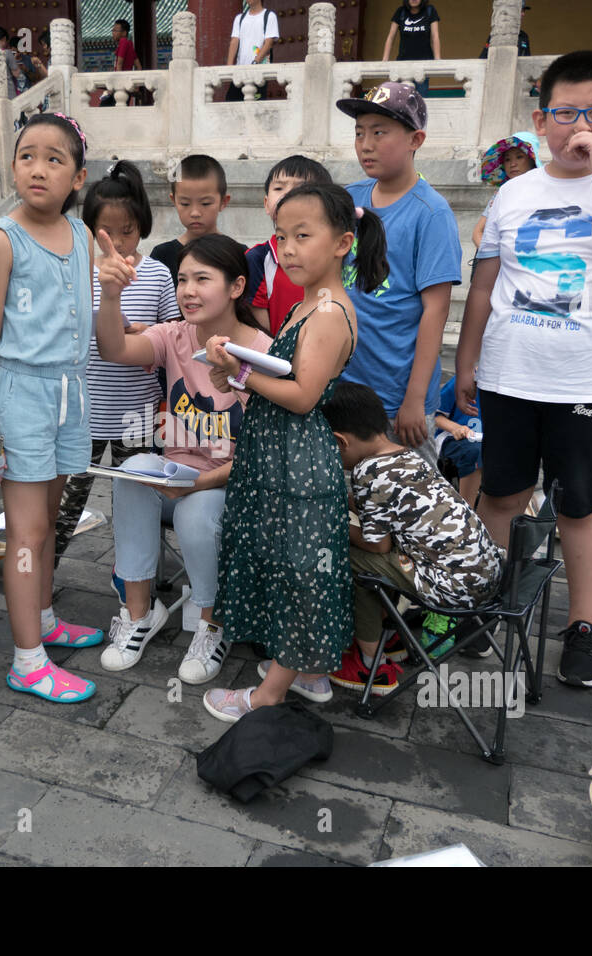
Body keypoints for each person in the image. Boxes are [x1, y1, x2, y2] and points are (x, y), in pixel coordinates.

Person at [455, 51, 592, 689]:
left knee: (579, 502)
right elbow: (483, 285)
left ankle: (584, 625)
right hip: (510, 373)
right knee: (501, 493)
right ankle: (489, 602)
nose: (581, 124)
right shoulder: (514, 193)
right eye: (566, 112)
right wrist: (466, 360)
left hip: (586, 379)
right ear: (540, 118)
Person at [201, 183, 388, 722]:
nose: (287, 249)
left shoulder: (328, 312)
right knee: (292, 566)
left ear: (342, 243)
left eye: (303, 236)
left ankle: (269, 695)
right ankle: (306, 674)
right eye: (281, 236)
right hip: (279, 453)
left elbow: (304, 396)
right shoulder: (308, 303)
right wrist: (232, 371)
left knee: (297, 573)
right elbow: (274, 380)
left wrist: (238, 372)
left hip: (297, 463)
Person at [94, 233, 272, 683]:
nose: (188, 290)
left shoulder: (261, 353)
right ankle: (138, 614)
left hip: (229, 483)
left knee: (196, 513)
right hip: (175, 470)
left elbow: (262, 455)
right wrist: (111, 295)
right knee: (132, 470)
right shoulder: (173, 336)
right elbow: (114, 350)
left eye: (202, 279)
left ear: (235, 287)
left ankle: (213, 623)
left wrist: (198, 483)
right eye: (182, 279)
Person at [0, 112, 102, 703]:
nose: (38, 168)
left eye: (55, 158)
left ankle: (44, 621)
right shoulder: (3, 238)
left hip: (73, 392)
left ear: (77, 175)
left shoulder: (82, 236)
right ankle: (27, 660)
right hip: (22, 394)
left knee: (49, 522)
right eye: (27, 155)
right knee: (24, 531)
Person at [323, 382, 503, 693]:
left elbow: (377, 544)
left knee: (354, 563)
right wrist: (343, 500)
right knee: (386, 562)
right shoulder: (406, 456)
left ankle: (369, 663)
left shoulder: (368, 471)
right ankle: (388, 638)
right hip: (487, 576)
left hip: (452, 589)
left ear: (339, 442)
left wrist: (334, 523)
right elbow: (383, 512)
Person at [54, 160, 179, 564]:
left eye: (129, 231)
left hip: (138, 416)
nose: (120, 242)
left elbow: (175, 336)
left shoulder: (158, 275)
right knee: (63, 509)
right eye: (108, 232)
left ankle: (139, 582)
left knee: (138, 505)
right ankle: (41, 582)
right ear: (89, 229)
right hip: (82, 414)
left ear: (143, 224)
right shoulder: (75, 273)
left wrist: (148, 335)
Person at [335, 81, 462, 467]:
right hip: (344, 385)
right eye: (359, 133)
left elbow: (435, 312)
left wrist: (414, 398)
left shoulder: (431, 213)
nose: (365, 144)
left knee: (404, 503)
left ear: (415, 139)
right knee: (348, 501)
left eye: (379, 132)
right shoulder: (348, 199)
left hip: (396, 395)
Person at [247, 155, 333, 335]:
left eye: (301, 188)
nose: (287, 195)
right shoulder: (257, 259)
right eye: (279, 188)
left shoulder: (336, 255)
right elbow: (260, 336)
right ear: (266, 204)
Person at [150, 154, 241, 287]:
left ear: (223, 202)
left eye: (205, 203)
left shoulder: (238, 254)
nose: (195, 213)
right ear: (174, 201)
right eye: (185, 204)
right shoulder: (162, 256)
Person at [472, 131, 540, 248]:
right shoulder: (500, 194)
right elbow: (477, 233)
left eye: (519, 157)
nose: (512, 164)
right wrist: (492, 256)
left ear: (531, 160)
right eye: (507, 159)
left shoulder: (543, 191)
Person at [434, 374, 484, 508]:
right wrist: (455, 427)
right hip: (455, 438)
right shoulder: (462, 381)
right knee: (475, 451)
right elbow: (434, 415)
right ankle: (467, 510)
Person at [381, 1, 441, 97]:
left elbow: (435, 36)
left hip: (423, 66)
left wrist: (438, 59)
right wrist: (385, 59)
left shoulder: (430, 11)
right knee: (402, 102)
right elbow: (391, 37)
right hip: (402, 65)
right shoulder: (401, 12)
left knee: (420, 100)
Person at [226, 1, 279, 102]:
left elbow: (268, 42)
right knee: (231, 101)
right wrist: (229, 65)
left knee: (256, 106)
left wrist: (255, 62)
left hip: (259, 71)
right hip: (240, 71)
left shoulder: (269, 16)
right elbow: (234, 41)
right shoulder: (239, 18)